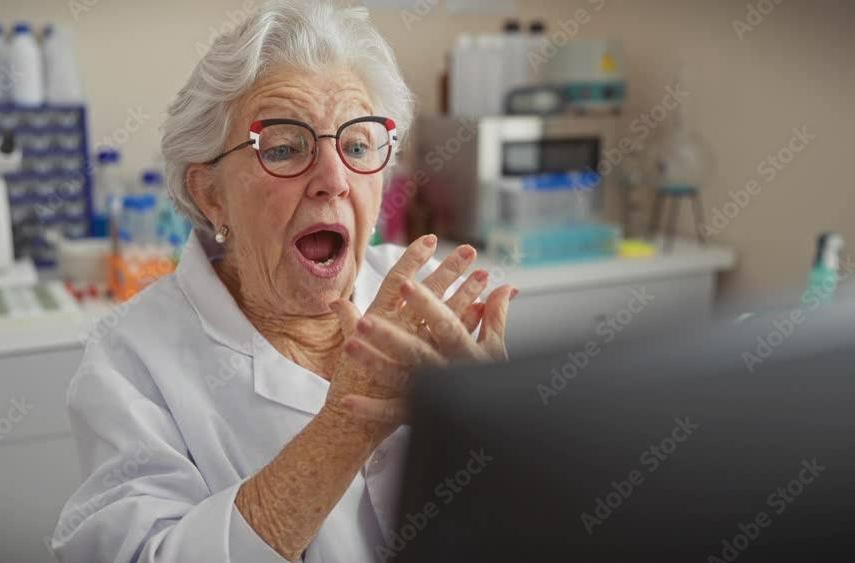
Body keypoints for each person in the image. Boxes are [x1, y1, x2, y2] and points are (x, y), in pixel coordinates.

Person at [51, 1, 516, 561]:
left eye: (358, 145)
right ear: (210, 194)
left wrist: (496, 430)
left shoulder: (438, 302)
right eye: (283, 148)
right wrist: (343, 432)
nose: (334, 180)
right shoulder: (132, 357)